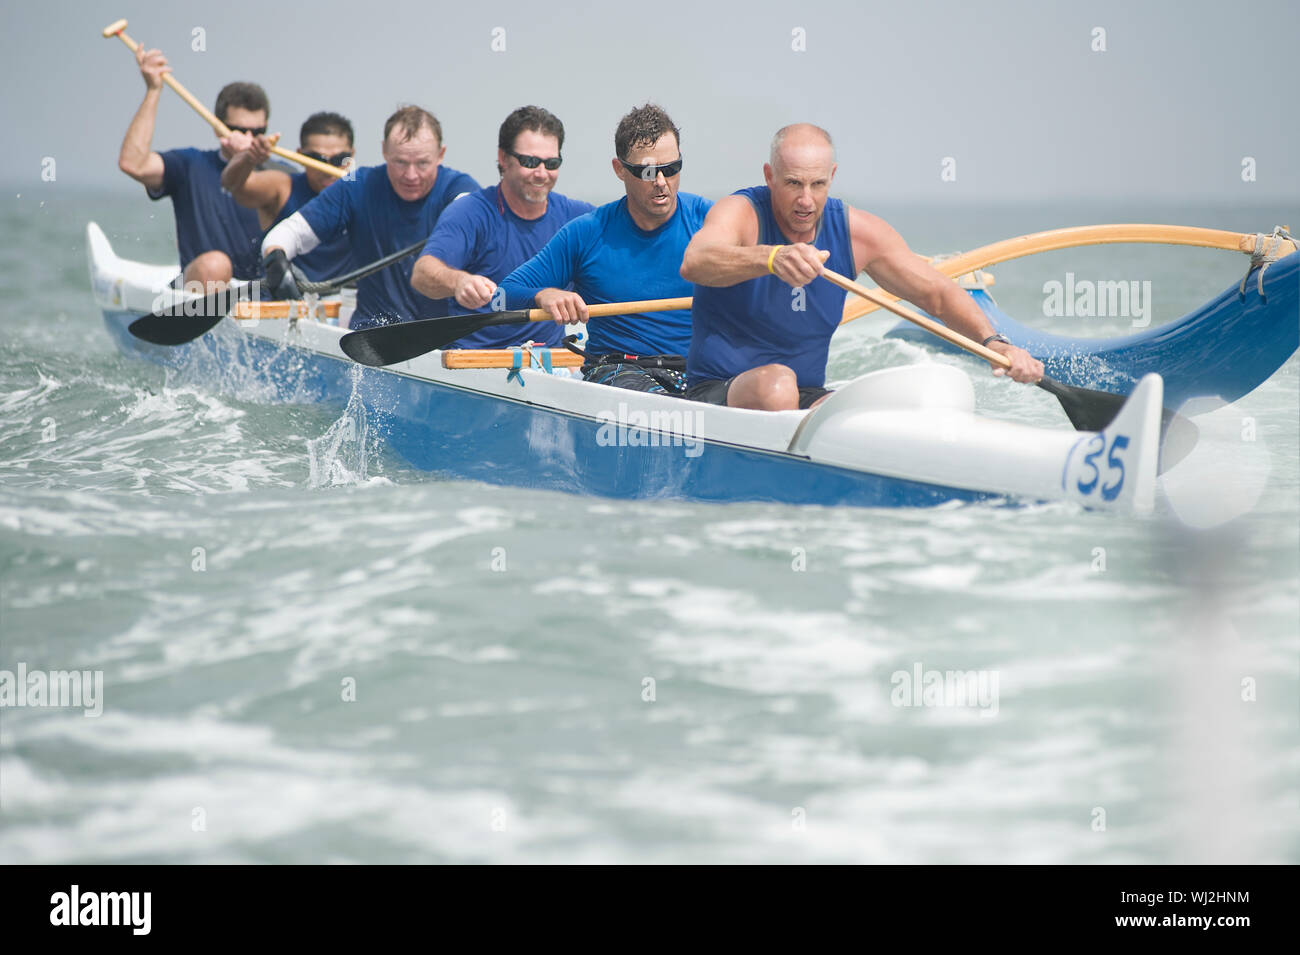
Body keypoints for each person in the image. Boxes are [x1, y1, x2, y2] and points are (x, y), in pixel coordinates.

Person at [680, 124, 1043, 410]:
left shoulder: (857, 233)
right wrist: (772, 258)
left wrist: (997, 343)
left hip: (807, 396)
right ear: (769, 176)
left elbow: (937, 293)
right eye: (793, 184)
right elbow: (696, 261)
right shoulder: (742, 213)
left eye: (817, 184)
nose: (806, 200)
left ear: (832, 176)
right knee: (777, 386)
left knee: (906, 400)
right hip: (719, 393)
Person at [498, 104, 710, 394]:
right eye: (648, 171)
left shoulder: (710, 222)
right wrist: (544, 294)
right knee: (652, 401)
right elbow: (502, 295)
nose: (662, 183)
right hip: (618, 372)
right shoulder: (587, 233)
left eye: (671, 169)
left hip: (697, 373)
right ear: (619, 169)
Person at [260, 106, 480, 328]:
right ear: (384, 151)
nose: (411, 175)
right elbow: (288, 233)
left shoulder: (460, 190)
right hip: (370, 336)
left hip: (443, 338)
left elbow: (479, 229)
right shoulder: (358, 185)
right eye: (400, 162)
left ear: (440, 155)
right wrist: (275, 261)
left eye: (422, 163)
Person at [410, 106, 594, 349]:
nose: (541, 173)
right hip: (478, 364)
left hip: (547, 363)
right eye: (529, 162)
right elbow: (422, 274)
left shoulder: (578, 217)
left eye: (551, 163)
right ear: (503, 158)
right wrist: (458, 282)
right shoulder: (470, 212)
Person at [116, 43, 271, 288]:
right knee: (215, 265)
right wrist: (154, 90)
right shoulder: (190, 165)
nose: (249, 139)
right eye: (239, 130)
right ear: (217, 127)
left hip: (260, 298)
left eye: (258, 131)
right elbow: (133, 163)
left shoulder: (280, 176)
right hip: (199, 290)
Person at [220, 112, 356, 281]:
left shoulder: (362, 192)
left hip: (344, 301)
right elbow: (232, 185)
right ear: (299, 155)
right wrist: (248, 157)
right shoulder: (282, 187)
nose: (326, 169)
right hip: (284, 299)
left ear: (352, 156)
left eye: (339, 159)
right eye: (317, 158)